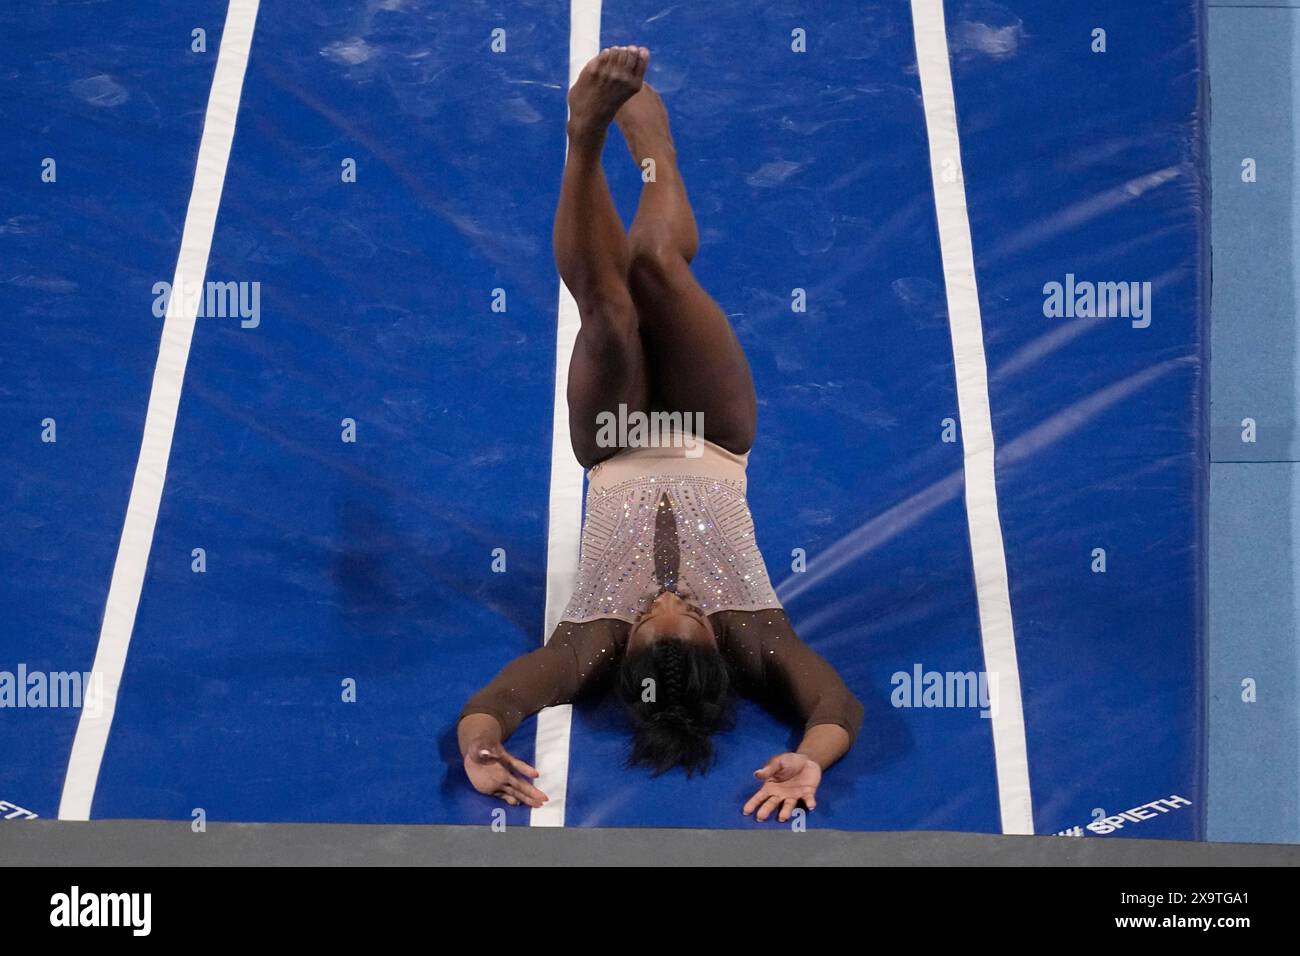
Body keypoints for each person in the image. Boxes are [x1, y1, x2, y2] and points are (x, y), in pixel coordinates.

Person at [457, 46, 862, 824]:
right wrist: (812, 757)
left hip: (614, 440)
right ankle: (654, 152)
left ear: (628, 654)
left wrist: (479, 748)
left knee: (609, 316)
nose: (671, 598)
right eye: (692, 614)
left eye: (651, 616)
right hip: (712, 433)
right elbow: (833, 701)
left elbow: (501, 700)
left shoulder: (590, 647)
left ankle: (584, 139)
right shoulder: (755, 635)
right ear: (718, 651)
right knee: (653, 265)